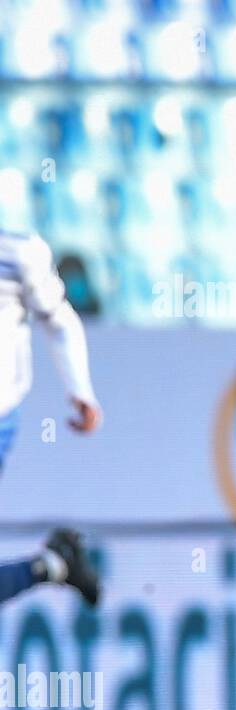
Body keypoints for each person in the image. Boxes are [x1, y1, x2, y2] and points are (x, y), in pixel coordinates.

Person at [0, 227, 103, 607]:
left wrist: (80, 389)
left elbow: (58, 321)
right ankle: (54, 564)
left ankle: (53, 564)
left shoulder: (17, 252)